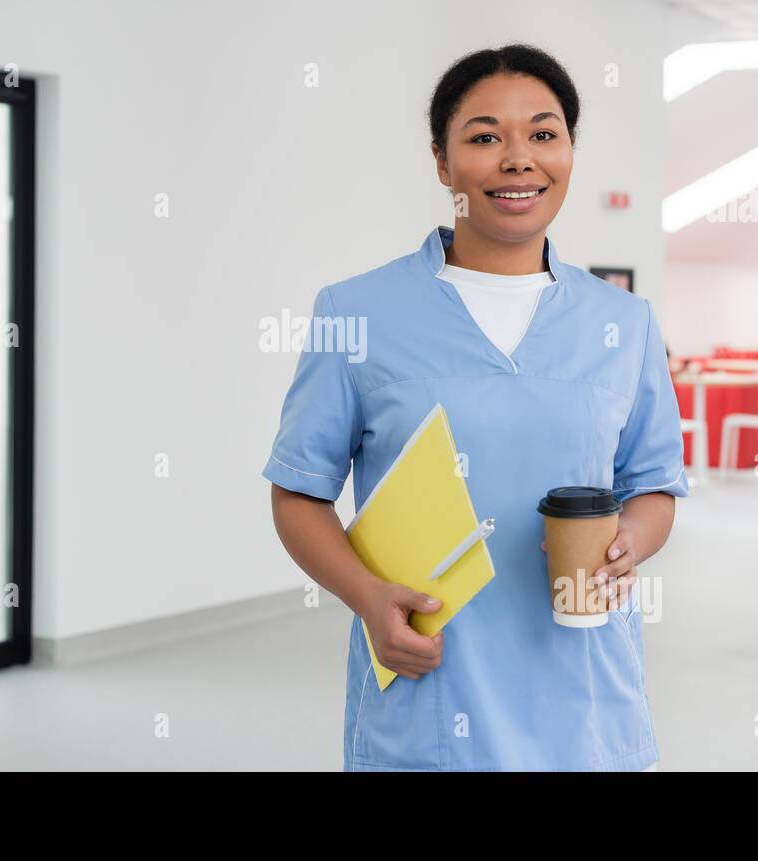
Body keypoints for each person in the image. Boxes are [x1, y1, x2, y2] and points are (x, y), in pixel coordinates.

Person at [261, 44, 687, 771]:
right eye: (485, 136)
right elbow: (298, 491)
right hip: (427, 695)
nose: (518, 158)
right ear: (441, 160)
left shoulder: (624, 322)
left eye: (544, 133)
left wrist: (626, 549)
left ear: (570, 152)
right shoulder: (357, 311)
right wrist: (366, 597)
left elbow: (653, 484)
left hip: (588, 705)